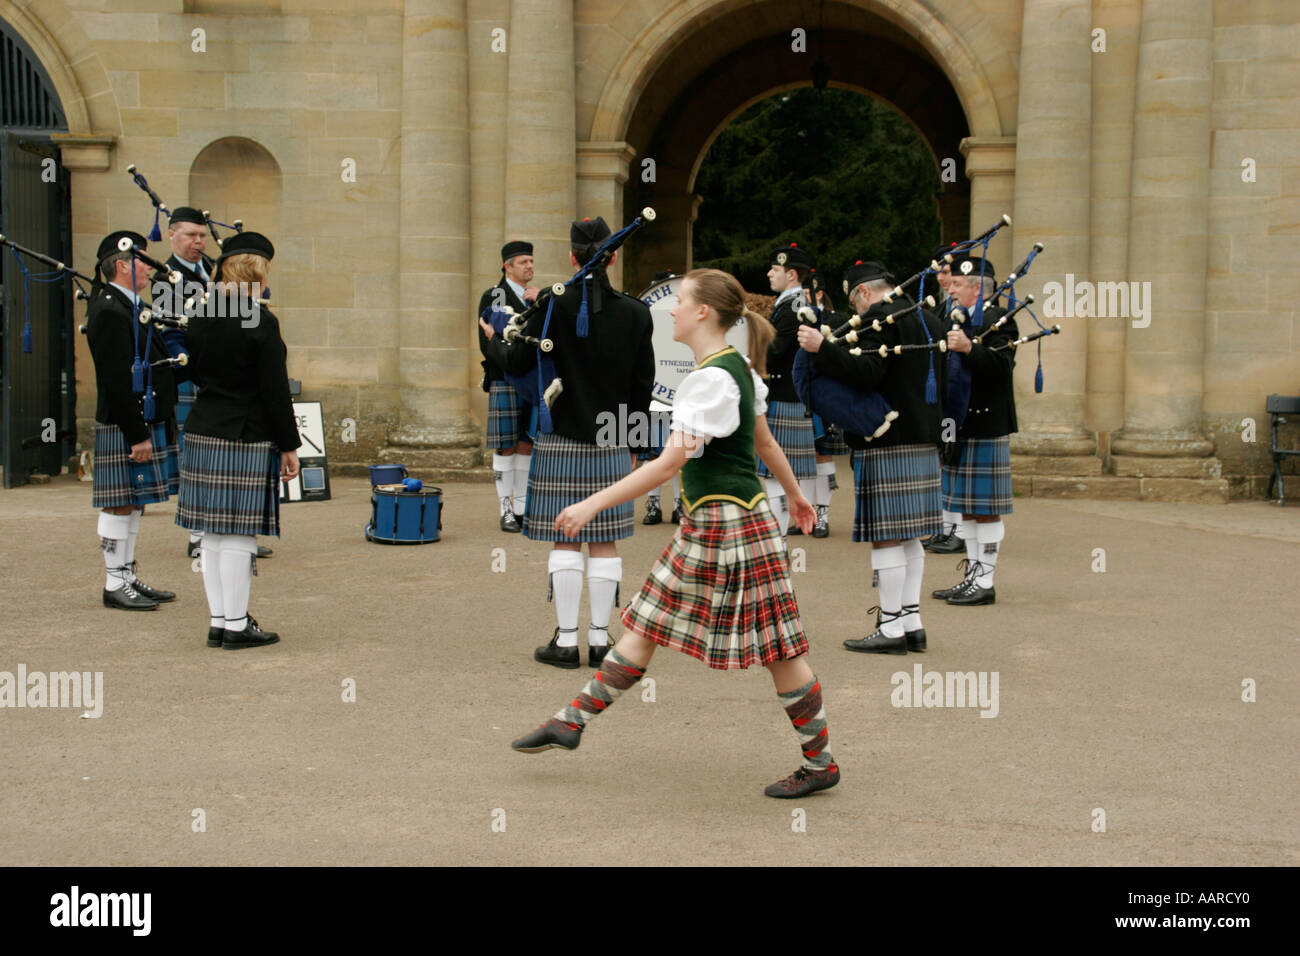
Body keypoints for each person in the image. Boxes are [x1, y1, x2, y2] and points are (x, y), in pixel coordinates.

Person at [510, 268, 838, 799]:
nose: (672, 311)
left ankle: (821, 763)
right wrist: (796, 496)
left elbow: (666, 466)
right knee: (648, 622)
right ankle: (571, 721)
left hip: (726, 525)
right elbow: (766, 445)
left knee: (778, 647)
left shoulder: (710, 380)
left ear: (703, 312)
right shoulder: (735, 370)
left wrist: (591, 504)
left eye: (681, 302)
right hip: (727, 520)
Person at [479, 217, 654, 669]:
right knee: (605, 540)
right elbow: (643, 385)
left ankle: (565, 640)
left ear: (573, 257)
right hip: (613, 437)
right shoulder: (636, 313)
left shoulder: (552, 305)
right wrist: (635, 443)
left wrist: (494, 341)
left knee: (565, 537)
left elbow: (515, 358)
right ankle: (600, 641)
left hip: (558, 436)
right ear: (612, 257)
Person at [797, 260, 947, 654]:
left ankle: (891, 628)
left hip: (887, 436)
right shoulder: (928, 318)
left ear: (864, 292)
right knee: (910, 535)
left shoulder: (879, 318)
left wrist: (822, 349)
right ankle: (912, 624)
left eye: (853, 302)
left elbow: (867, 372)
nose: (855, 312)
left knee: (885, 538)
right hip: (924, 436)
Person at [175, 232, 300, 649]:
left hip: (202, 428)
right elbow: (275, 390)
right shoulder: (259, 320)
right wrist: (289, 444)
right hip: (245, 433)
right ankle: (236, 625)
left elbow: (193, 372)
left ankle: (219, 621)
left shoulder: (202, 314)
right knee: (240, 535)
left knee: (211, 534)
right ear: (258, 273)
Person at [84, 230, 180, 611]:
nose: (149, 266)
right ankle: (113, 582)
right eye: (142, 259)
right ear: (122, 265)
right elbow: (115, 378)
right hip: (126, 423)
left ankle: (126, 573)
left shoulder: (127, 305)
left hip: (141, 419)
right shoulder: (109, 310)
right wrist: (137, 434)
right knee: (118, 504)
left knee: (134, 503)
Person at [931, 255, 1017, 606]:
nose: (950, 289)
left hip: (986, 423)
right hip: (958, 423)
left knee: (986, 507)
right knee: (966, 506)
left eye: (958, 285)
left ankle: (986, 581)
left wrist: (971, 349)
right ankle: (971, 575)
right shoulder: (952, 320)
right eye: (950, 285)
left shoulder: (1001, 321)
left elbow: (1003, 367)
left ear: (977, 287)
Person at [478, 240, 539, 532]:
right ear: (508, 266)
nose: (529, 265)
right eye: (523, 261)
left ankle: (521, 507)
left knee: (526, 443)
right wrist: (512, 356)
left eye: (531, 261)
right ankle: (505, 509)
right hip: (504, 377)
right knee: (506, 447)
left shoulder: (536, 298)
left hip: (532, 378)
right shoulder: (493, 296)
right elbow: (487, 344)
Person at [759, 243, 818, 536]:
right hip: (786, 396)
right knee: (777, 477)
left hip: (784, 397)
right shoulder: (789, 304)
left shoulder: (793, 307)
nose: (770, 273)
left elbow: (774, 351)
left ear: (792, 274)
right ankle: (777, 540)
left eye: (776, 269)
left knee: (775, 477)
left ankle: (776, 542)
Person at [800, 269, 848, 538]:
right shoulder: (797, 319)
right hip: (802, 393)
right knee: (804, 455)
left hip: (827, 393)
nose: (804, 300)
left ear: (819, 294)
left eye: (807, 295)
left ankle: (823, 514)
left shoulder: (837, 319)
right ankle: (807, 514)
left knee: (822, 453)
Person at [924, 243, 965, 554]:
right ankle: (946, 524)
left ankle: (960, 528)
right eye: (939, 270)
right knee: (945, 460)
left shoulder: (965, 310)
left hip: (960, 399)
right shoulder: (940, 307)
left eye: (948, 271)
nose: (942, 277)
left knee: (955, 460)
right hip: (944, 399)